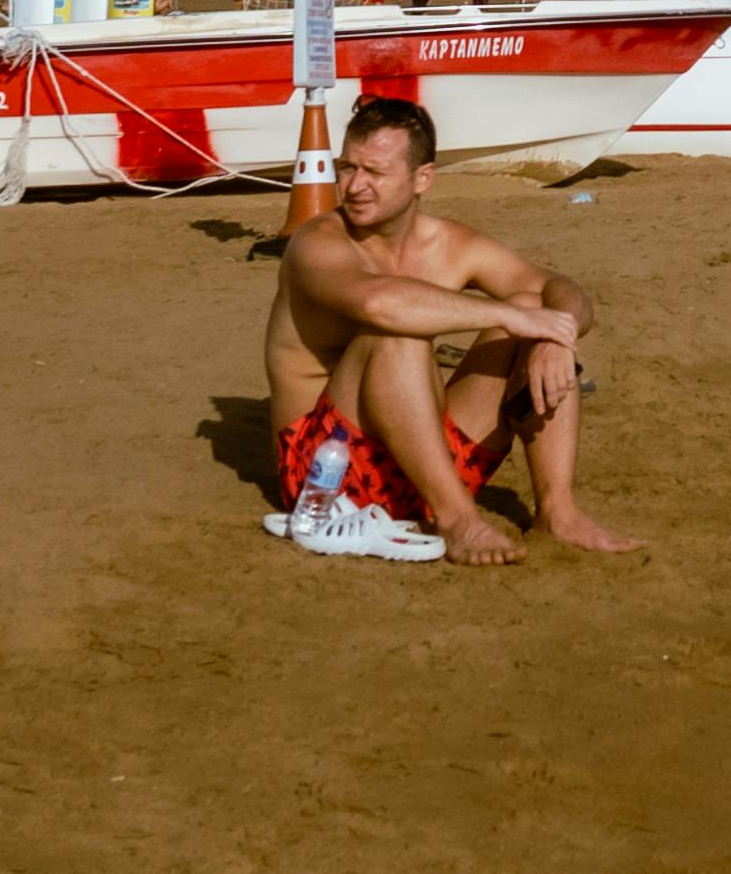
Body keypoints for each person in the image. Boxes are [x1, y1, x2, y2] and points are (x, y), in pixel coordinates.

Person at [263, 97, 628, 568]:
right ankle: (458, 521)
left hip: (426, 464)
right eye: (348, 168)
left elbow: (563, 290)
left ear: (422, 179)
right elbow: (379, 303)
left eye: (375, 172)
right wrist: (513, 318)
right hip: (327, 479)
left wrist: (555, 334)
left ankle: (558, 511)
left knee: (534, 308)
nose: (355, 186)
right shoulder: (317, 243)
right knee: (397, 331)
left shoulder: (449, 243)